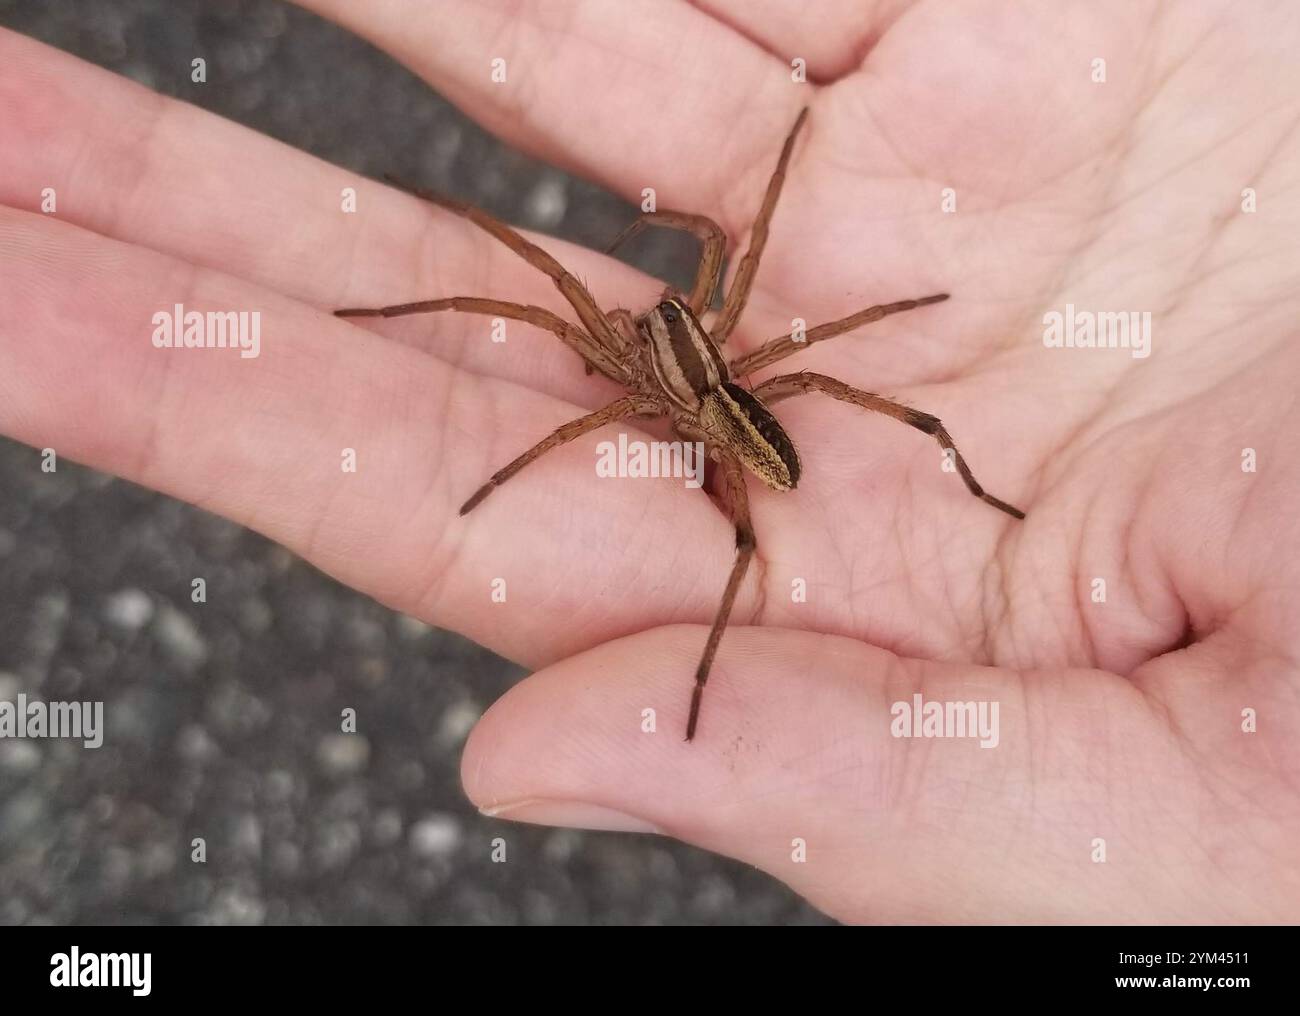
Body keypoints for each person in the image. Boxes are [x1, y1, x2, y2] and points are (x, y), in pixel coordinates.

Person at [0, 1, 1295, 923]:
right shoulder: (677, 346)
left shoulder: (681, 372)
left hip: (739, 419)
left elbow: (734, 249)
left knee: (683, 393)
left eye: (666, 316)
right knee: (535, 286)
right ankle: (410, 320)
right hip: (728, 399)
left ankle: (755, 616)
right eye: (661, 324)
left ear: (683, 331)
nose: (647, 320)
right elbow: (674, 268)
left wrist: (536, 457)